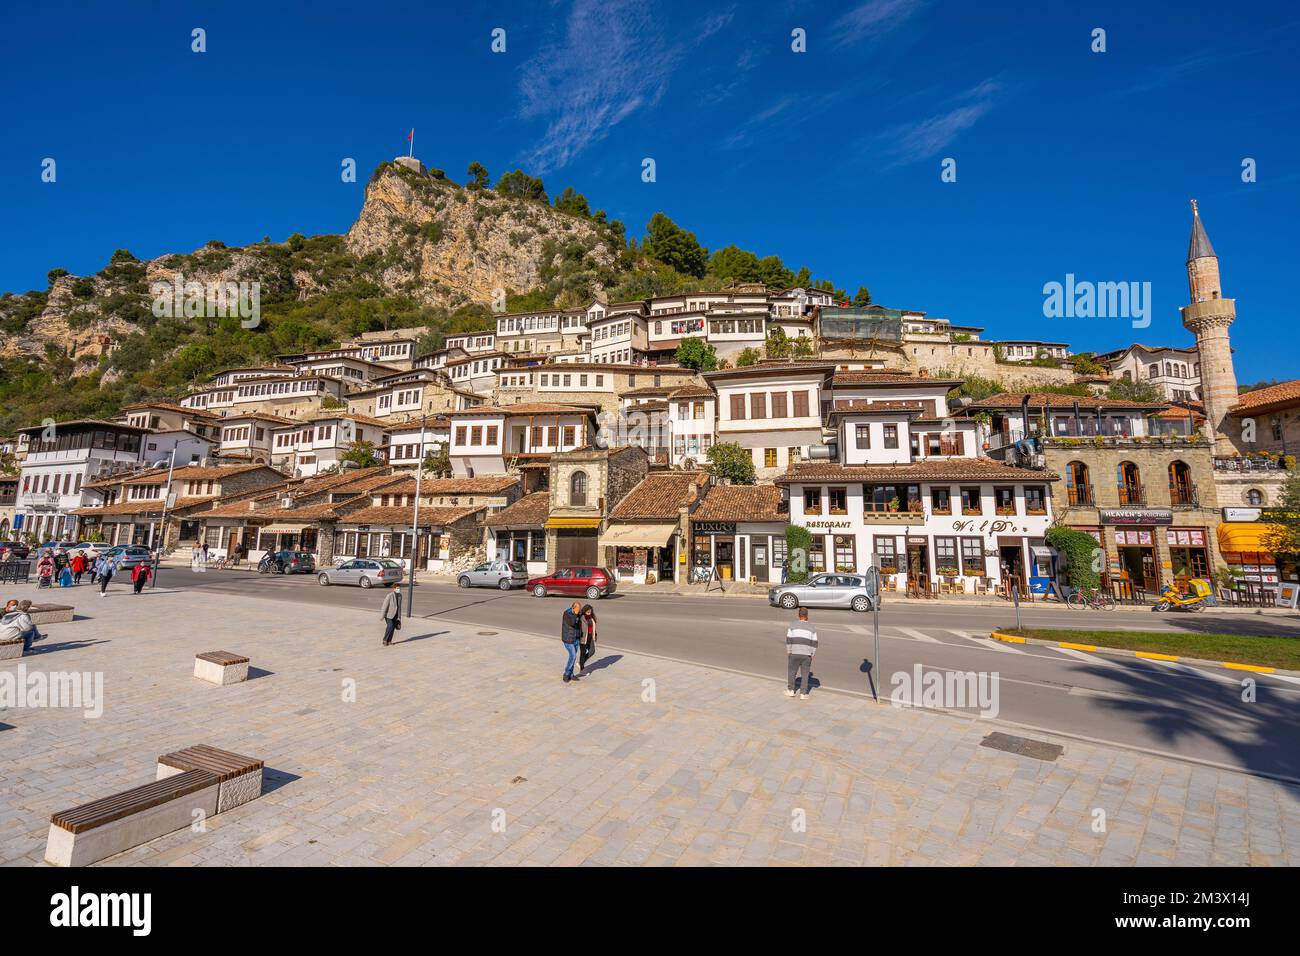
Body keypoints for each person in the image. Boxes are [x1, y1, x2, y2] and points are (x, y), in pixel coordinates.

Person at [785, 607, 818, 700]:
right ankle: (803, 693)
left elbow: (788, 639)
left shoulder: (792, 625)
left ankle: (791, 691)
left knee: (792, 672)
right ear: (807, 616)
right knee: (805, 674)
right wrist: (812, 653)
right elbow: (815, 643)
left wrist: (789, 650)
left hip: (794, 652)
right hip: (806, 654)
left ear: (798, 615)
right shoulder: (812, 627)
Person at [561, 601, 583, 683]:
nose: (579, 610)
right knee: (573, 656)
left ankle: (571, 674)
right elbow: (572, 623)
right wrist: (576, 614)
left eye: (580, 608)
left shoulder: (578, 613)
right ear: (573, 608)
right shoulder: (567, 613)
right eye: (578, 609)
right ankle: (566, 673)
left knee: (573, 657)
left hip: (576, 638)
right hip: (568, 639)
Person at [379, 580, 402, 646]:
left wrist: (399, 617)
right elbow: (384, 606)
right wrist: (382, 616)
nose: (398, 589)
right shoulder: (390, 595)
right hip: (388, 615)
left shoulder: (400, 596)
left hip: (395, 615)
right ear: (394, 589)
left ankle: (389, 641)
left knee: (393, 628)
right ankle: (385, 640)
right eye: (397, 588)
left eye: (399, 588)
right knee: (390, 626)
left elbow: (399, 607)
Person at [577, 603, 598, 674]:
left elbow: (593, 628)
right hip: (583, 638)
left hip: (590, 637)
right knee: (582, 653)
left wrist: (595, 635)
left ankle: (580, 663)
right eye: (588, 611)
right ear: (584, 611)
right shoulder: (581, 617)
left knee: (592, 651)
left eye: (590, 611)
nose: (589, 613)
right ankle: (582, 669)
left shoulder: (591, 618)